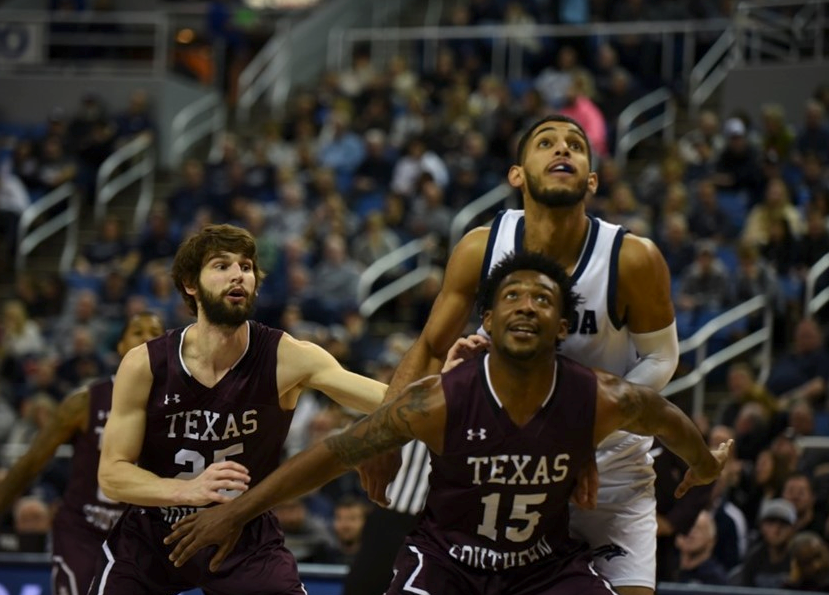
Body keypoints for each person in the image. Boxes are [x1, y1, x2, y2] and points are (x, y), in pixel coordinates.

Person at [164, 252, 730, 595]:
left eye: (542, 298)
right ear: (489, 318)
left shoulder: (601, 398)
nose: (527, 305)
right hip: (447, 567)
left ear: (562, 325)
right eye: (512, 296)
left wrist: (705, 465)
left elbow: (670, 420)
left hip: (540, 568)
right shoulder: (440, 400)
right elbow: (334, 454)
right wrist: (236, 512)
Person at [351, 114, 680, 595]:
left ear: (592, 178)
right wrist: (378, 439)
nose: (562, 149)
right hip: (508, 463)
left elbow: (662, 360)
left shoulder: (633, 258)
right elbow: (429, 347)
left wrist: (589, 426)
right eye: (546, 143)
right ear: (517, 174)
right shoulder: (480, 249)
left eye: (575, 145)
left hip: (606, 465)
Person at [88, 224, 387, 594]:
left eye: (246, 267)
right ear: (190, 284)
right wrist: (187, 492)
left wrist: (458, 384)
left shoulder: (287, 356)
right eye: (221, 266)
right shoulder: (145, 364)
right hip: (155, 533)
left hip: (243, 530)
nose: (238, 275)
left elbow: (389, 400)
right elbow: (112, 475)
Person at [0, 311, 165, 595]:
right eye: (138, 332)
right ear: (120, 345)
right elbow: (30, 464)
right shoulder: (85, 402)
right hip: (83, 532)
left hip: (138, 536)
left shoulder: (176, 406)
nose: (147, 339)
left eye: (155, 333)